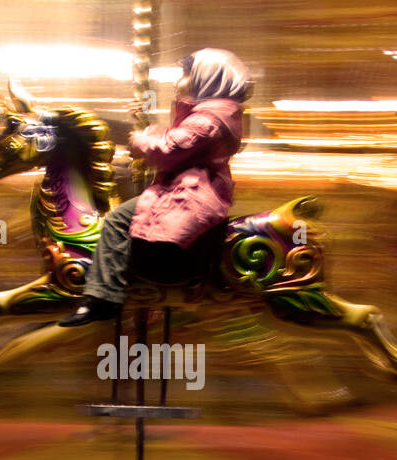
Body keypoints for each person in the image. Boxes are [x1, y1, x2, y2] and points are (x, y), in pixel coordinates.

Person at [58, 48, 252, 326]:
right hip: (185, 187)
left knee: (116, 221)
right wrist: (147, 130)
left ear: (206, 78)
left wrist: (140, 140)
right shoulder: (212, 114)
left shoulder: (208, 118)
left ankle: (103, 297)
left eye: (186, 74)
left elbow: (169, 149)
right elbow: (178, 141)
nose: (179, 80)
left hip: (190, 193)